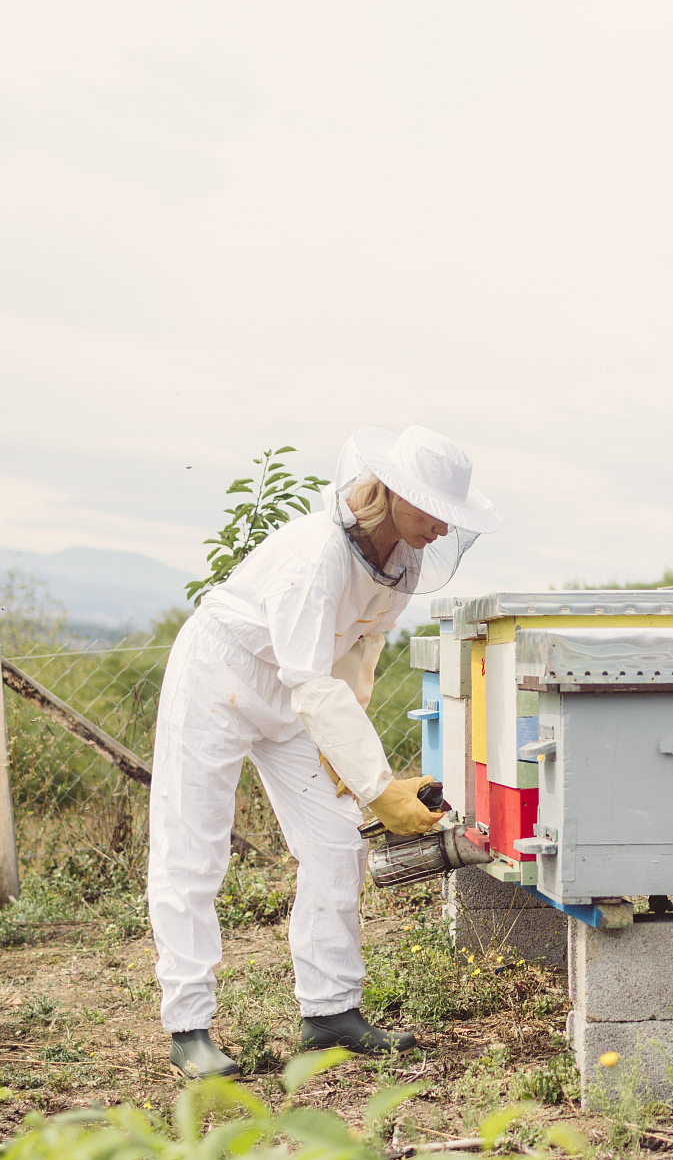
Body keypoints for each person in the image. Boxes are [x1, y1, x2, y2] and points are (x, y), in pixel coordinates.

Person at [147, 424, 499, 1078]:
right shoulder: (317, 555)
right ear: (390, 491)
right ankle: (188, 1025)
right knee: (192, 847)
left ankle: (330, 1011)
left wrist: (355, 764)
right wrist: (374, 783)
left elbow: (355, 656)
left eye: (453, 516)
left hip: (295, 691)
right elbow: (310, 676)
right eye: (433, 510)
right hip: (221, 674)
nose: (443, 529)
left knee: (338, 842)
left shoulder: (402, 561)